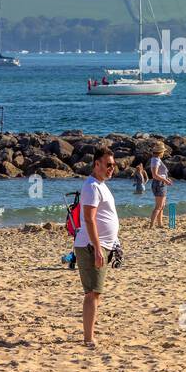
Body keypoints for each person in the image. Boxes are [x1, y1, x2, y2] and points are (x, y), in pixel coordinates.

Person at [74, 148, 120, 348]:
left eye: (113, 165)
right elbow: (89, 219)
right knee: (92, 292)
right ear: (97, 164)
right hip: (91, 246)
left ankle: (89, 334)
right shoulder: (91, 186)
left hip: (101, 245)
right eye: (108, 164)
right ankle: (88, 338)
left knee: (96, 292)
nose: (112, 168)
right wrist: (98, 248)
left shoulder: (101, 185)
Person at [148, 142, 172, 228]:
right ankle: (151, 225)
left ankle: (160, 224)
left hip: (160, 182)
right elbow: (155, 175)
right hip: (159, 183)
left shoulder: (155, 159)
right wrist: (165, 180)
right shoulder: (156, 160)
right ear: (161, 152)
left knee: (162, 206)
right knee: (159, 206)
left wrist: (166, 178)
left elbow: (159, 174)